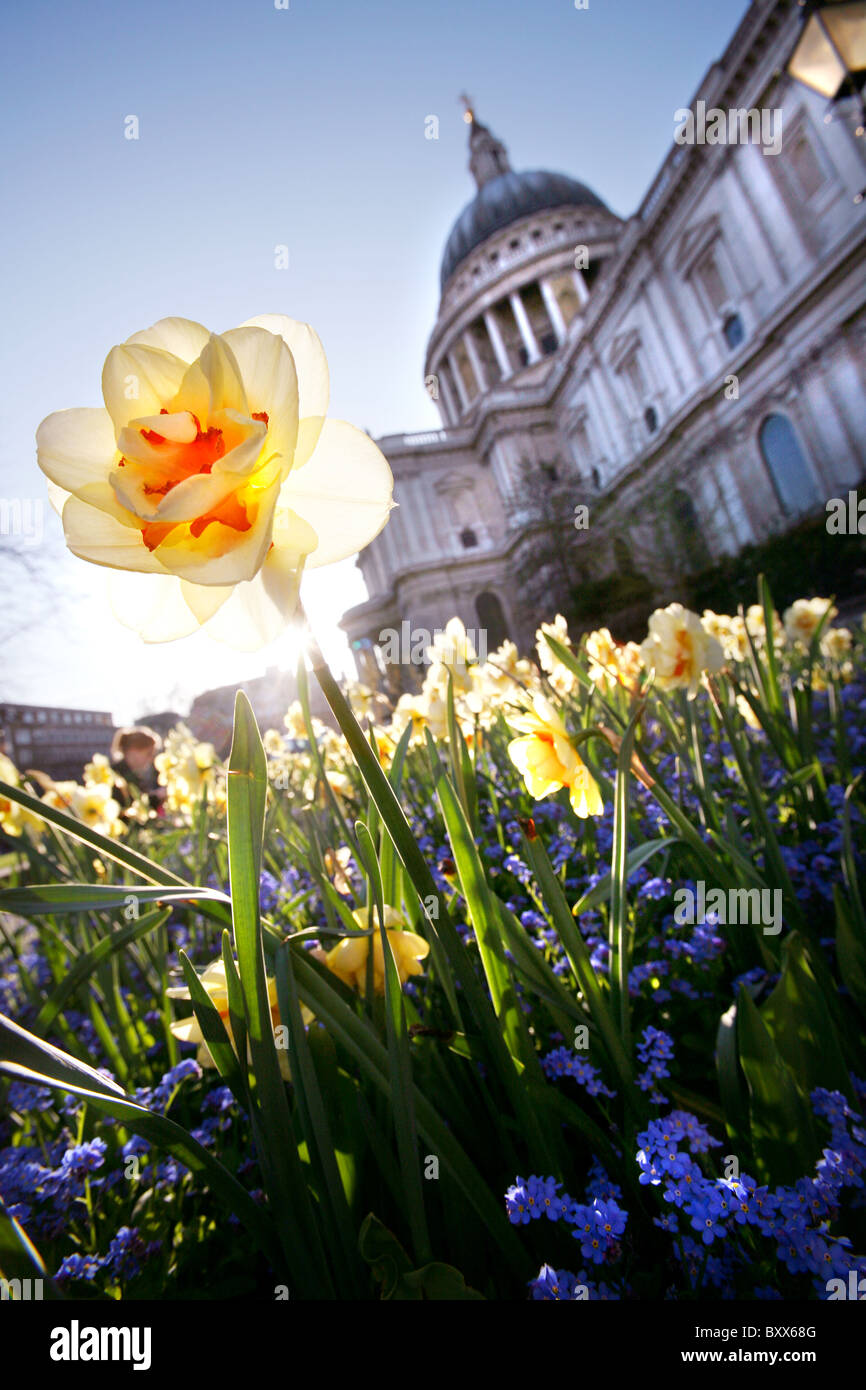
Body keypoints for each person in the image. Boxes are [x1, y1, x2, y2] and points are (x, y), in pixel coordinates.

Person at [110, 726, 165, 809]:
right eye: (148, 753)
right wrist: (158, 797)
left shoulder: (128, 773)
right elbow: (135, 807)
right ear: (133, 750)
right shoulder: (118, 776)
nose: (151, 759)